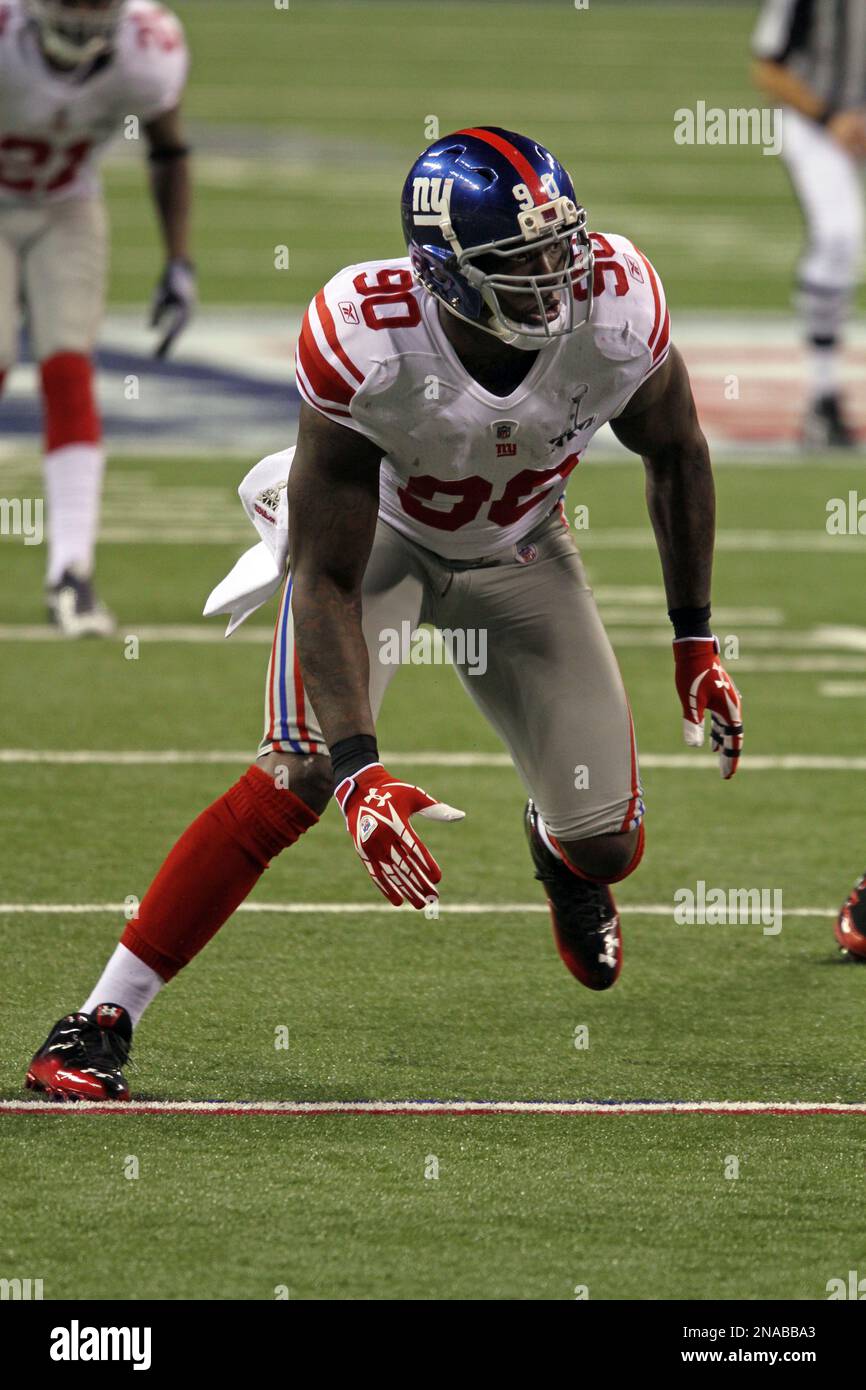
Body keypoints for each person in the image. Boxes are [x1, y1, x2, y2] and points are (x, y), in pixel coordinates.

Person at [25, 127, 743, 1102]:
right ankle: (103, 1016)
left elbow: (676, 450)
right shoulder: (366, 336)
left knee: (608, 840)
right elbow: (323, 571)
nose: (556, 278)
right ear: (446, 275)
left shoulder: (616, 304)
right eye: (520, 263)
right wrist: (360, 772)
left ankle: (555, 847)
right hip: (380, 546)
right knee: (300, 770)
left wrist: (693, 637)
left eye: (558, 247)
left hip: (518, 548)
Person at [0, 0, 195, 634]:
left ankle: (71, 574)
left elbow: (168, 150)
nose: (82, 14)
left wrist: (179, 260)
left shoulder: (147, 50)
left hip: (66, 203)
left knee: (67, 366)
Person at [752, 0, 866, 448]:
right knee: (838, 238)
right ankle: (823, 396)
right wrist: (830, 118)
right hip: (812, 123)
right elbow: (768, 70)